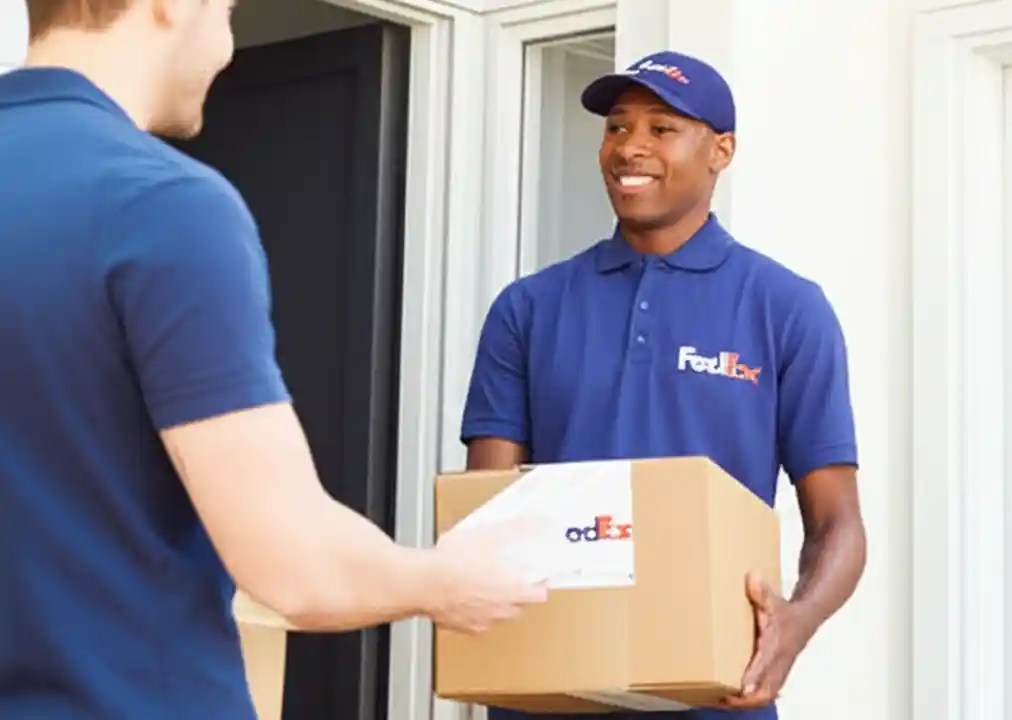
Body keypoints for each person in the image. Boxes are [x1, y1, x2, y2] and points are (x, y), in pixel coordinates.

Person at [0, 1, 547, 718]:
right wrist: (448, 580)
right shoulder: (158, 203)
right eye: (227, 11)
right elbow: (294, 564)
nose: (226, 47)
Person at [461, 50, 868, 720]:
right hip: (552, 691)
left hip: (716, 693)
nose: (630, 147)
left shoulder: (785, 308)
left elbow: (838, 523)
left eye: (661, 128)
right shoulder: (527, 309)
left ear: (721, 150)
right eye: (617, 127)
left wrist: (796, 622)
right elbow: (487, 513)